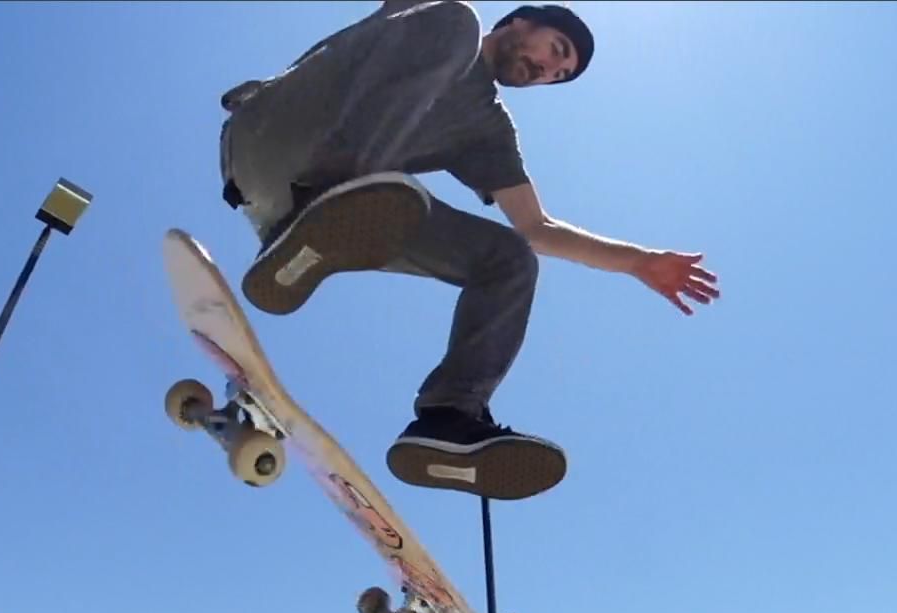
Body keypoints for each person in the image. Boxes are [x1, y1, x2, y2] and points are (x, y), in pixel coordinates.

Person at [217, 1, 719, 501]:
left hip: (282, 210)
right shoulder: (435, 18)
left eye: (557, 76)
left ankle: (448, 418)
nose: (547, 70)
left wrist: (638, 262)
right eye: (556, 50)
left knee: (510, 258)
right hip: (272, 130)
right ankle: (328, 197)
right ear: (521, 21)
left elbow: (536, 226)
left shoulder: (488, 129)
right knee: (456, 19)